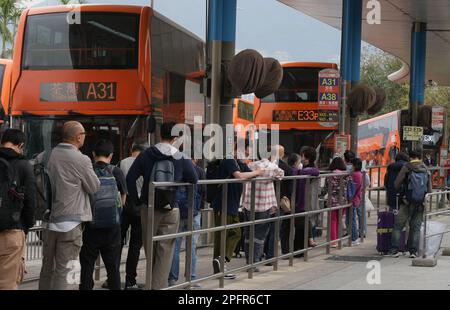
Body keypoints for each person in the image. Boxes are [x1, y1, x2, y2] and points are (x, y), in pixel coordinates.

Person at [126, 122, 198, 290]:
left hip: (149, 207)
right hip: (171, 207)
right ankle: (157, 286)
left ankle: (150, 283)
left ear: (160, 134)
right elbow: (193, 179)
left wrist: (137, 201)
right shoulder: (180, 156)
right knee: (165, 251)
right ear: (176, 138)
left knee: (150, 248)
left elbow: (130, 178)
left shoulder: (146, 154)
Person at [39, 121, 100, 290]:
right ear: (78, 137)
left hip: (49, 222)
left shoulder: (45, 156)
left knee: (47, 269)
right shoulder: (81, 159)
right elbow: (94, 187)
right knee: (68, 271)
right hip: (71, 224)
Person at [79, 139, 127, 290]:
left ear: (93, 154)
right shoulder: (116, 171)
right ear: (111, 156)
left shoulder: (88, 171)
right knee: (113, 268)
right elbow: (123, 197)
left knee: (87, 266)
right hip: (112, 227)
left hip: (90, 226)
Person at [212, 140, 263, 279]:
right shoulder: (229, 160)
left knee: (231, 233)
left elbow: (251, 173)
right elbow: (239, 176)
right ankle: (221, 264)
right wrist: (257, 172)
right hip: (223, 204)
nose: (249, 154)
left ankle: (221, 264)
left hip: (232, 204)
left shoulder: (239, 162)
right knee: (229, 234)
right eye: (247, 150)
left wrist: (257, 172)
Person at [0, 129, 36, 290]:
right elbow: (30, 202)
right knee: (7, 284)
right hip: (12, 232)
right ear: (20, 145)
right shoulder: (24, 165)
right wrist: (26, 228)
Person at [242, 152, 283, 270]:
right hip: (264, 205)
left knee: (248, 234)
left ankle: (248, 260)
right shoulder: (272, 166)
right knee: (259, 236)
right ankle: (254, 263)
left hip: (249, 204)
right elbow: (281, 174)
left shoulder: (250, 166)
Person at [168, 159, 205, 288]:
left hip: (177, 211)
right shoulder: (199, 171)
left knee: (175, 247)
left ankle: (172, 278)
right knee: (192, 248)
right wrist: (200, 207)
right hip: (193, 213)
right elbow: (204, 191)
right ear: (195, 159)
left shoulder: (176, 168)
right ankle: (191, 278)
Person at [388, 150, 432, 258]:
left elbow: (396, 183)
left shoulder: (407, 167)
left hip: (407, 201)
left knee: (398, 225)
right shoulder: (426, 169)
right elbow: (430, 189)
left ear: (410, 157)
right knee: (415, 227)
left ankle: (394, 250)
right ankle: (413, 251)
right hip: (420, 202)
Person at [118, 139, 148, 290]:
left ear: (132, 150)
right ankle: (131, 280)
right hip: (141, 207)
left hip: (124, 206)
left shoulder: (122, 163)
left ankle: (113, 278)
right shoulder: (148, 163)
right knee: (135, 246)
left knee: (117, 243)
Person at [264, 145, 290, 263]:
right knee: (275, 229)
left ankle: (261, 253)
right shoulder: (285, 168)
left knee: (263, 228)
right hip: (278, 201)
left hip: (265, 200)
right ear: (282, 154)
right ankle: (271, 256)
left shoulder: (264, 166)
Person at [294, 147, 320, 254]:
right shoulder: (305, 169)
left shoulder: (309, 170)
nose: (301, 158)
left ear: (307, 158)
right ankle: (306, 243)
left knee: (304, 223)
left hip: (305, 201)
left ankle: (302, 247)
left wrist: (299, 170)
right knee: (303, 224)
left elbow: (315, 171)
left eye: (303, 156)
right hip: (303, 202)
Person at [324, 157, 351, 247]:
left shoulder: (330, 175)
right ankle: (339, 239)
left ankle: (333, 241)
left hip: (332, 200)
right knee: (339, 220)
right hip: (343, 200)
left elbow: (326, 188)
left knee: (332, 220)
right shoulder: (346, 175)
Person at [280, 153, 302, 254]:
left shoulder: (280, 167)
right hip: (287, 202)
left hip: (280, 200)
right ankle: (286, 250)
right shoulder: (291, 170)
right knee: (286, 227)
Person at [348, 158, 363, 246]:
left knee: (352, 219)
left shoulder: (355, 175)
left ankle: (354, 238)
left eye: (352, 165)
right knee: (352, 219)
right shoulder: (359, 174)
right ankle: (354, 238)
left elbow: (353, 189)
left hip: (353, 200)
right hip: (356, 199)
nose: (351, 166)